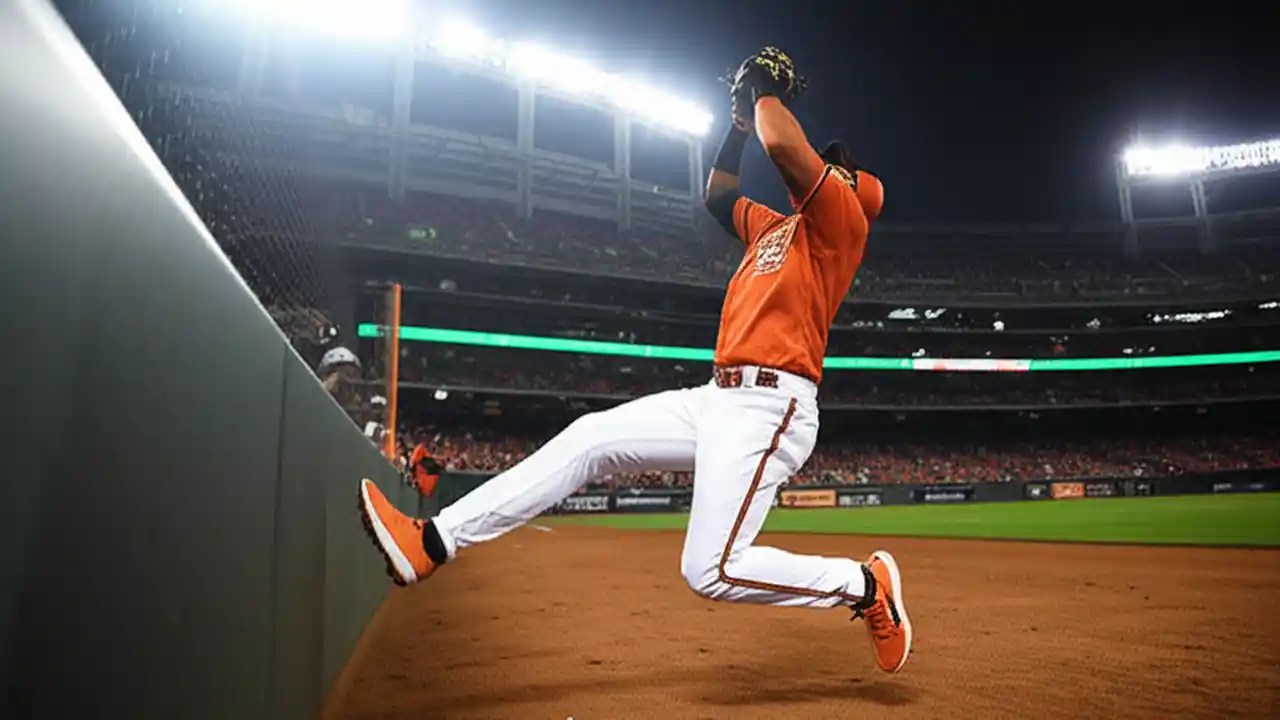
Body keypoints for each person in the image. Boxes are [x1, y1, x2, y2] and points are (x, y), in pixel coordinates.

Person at [356, 48, 911, 674]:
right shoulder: (774, 228)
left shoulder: (841, 217)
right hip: (718, 397)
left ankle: (864, 586)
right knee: (591, 438)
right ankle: (433, 541)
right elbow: (717, 195)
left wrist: (761, 93)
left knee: (711, 569)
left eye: (827, 165)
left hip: (771, 404)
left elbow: (784, 144)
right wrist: (734, 134)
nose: (817, 167)